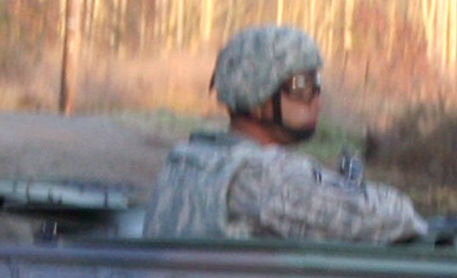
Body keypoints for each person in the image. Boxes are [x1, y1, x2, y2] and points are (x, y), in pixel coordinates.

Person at [145, 24, 428, 243]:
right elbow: (389, 219)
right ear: (257, 99)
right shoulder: (261, 176)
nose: (316, 97)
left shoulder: (192, 157)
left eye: (316, 83)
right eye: (300, 86)